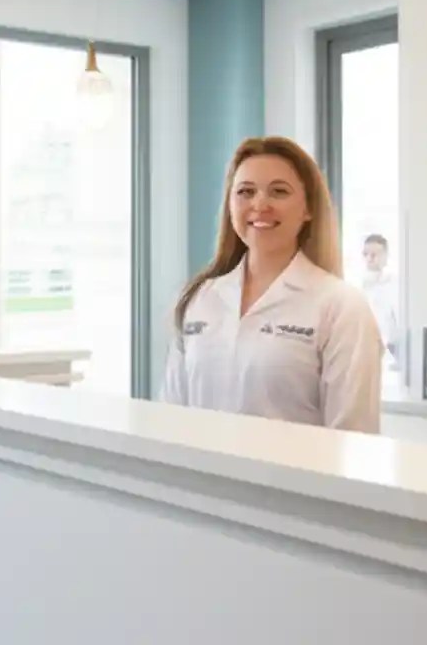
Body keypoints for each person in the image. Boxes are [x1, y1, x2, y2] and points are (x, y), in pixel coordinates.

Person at [159, 136, 382, 433]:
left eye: (278, 192)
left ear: (308, 209)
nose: (260, 204)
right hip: (201, 479)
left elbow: (354, 438)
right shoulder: (198, 300)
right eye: (245, 192)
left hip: (294, 480)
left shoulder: (341, 307)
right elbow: (171, 420)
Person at [360, 233, 401, 369]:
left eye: (374, 254)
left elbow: (397, 324)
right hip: (361, 350)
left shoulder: (396, 285)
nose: (369, 258)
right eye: (366, 254)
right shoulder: (355, 285)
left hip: (389, 355)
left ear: (385, 256)